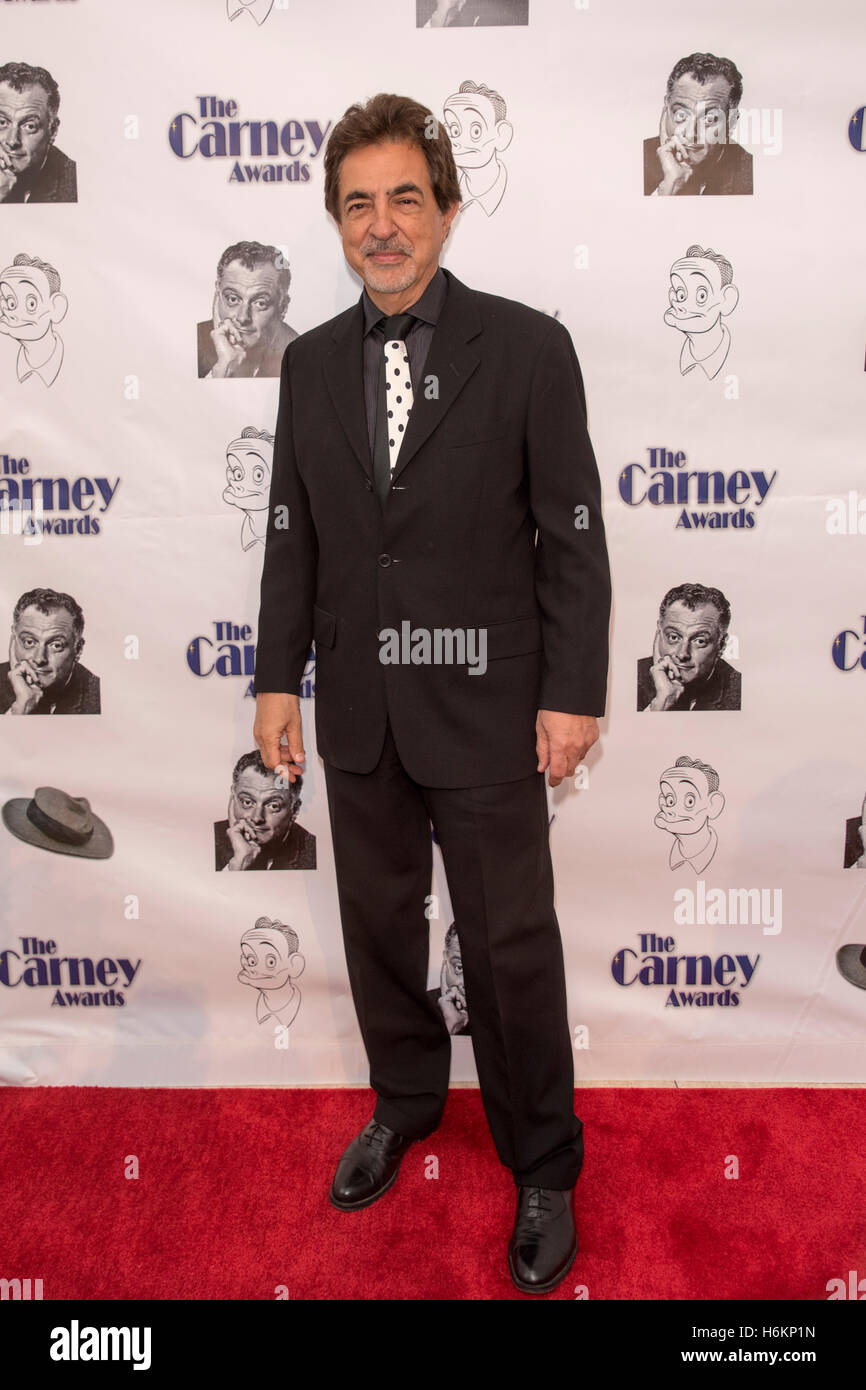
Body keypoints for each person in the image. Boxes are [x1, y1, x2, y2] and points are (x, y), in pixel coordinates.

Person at [253, 93, 611, 1296]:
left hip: (486, 703)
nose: (382, 223)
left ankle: (543, 1161)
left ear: (447, 210)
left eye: (405, 196)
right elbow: (291, 536)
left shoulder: (525, 348)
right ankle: (403, 1103)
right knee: (375, 929)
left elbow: (570, 535)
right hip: (358, 709)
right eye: (358, 203)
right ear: (336, 224)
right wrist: (271, 676)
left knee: (511, 944)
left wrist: (568, 692)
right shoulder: (305, 364)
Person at [643, 52, 753, 197]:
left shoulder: (749, 176)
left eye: (709, 119)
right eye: (681, 114)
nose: (690, 134)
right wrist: (669, 187)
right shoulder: (639, 158)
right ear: (666, 111)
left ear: (731, 122)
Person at [197, 241, 298, 378]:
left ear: (283, 307)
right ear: (218, 295)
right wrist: (224, 369)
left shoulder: (299, 352)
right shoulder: (194, 342)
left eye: (260, 303)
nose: (242, 317)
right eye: (233, 299)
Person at [638, 583, 741, 711]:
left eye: (699, 641)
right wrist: (662, 703)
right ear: (659, 633)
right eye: (674, 637)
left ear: (721, 645)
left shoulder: (738, 693)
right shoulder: (634, 677)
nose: (682, 654)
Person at [1, 587, 100, 714]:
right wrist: (20, 708)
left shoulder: (98, 696)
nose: (39, 659)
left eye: (56, 645)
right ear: (14, 640)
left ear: (78, 649)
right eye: (29, 642)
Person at [214, 751, 315, 870]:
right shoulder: (211, 839)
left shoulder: (313, 852)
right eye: (247, 802)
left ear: (295, 810)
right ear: (233, 799)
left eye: (273, 806)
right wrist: (237, 865)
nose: (257, 818)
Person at [0, 62, 77, 204]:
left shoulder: (74, 186)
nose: (12, 141)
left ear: (52, 131)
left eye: (29, 126)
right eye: (2, 123)